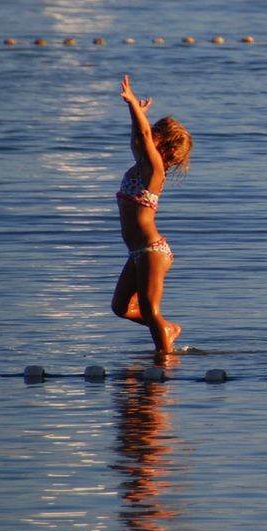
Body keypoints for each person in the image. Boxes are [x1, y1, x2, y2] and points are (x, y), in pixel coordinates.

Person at [111, 75, 193, 353]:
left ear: (167, 148)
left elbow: (144, 136)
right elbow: (139, 136)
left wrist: (133, 103)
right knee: (121, 308)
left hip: (151, 250)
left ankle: (164, 361)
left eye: (157, 130)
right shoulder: (141, 165)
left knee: (148, 307)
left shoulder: (155, 171)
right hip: (137, 252)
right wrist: (135, 114)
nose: (149, 131)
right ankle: (167, 328)